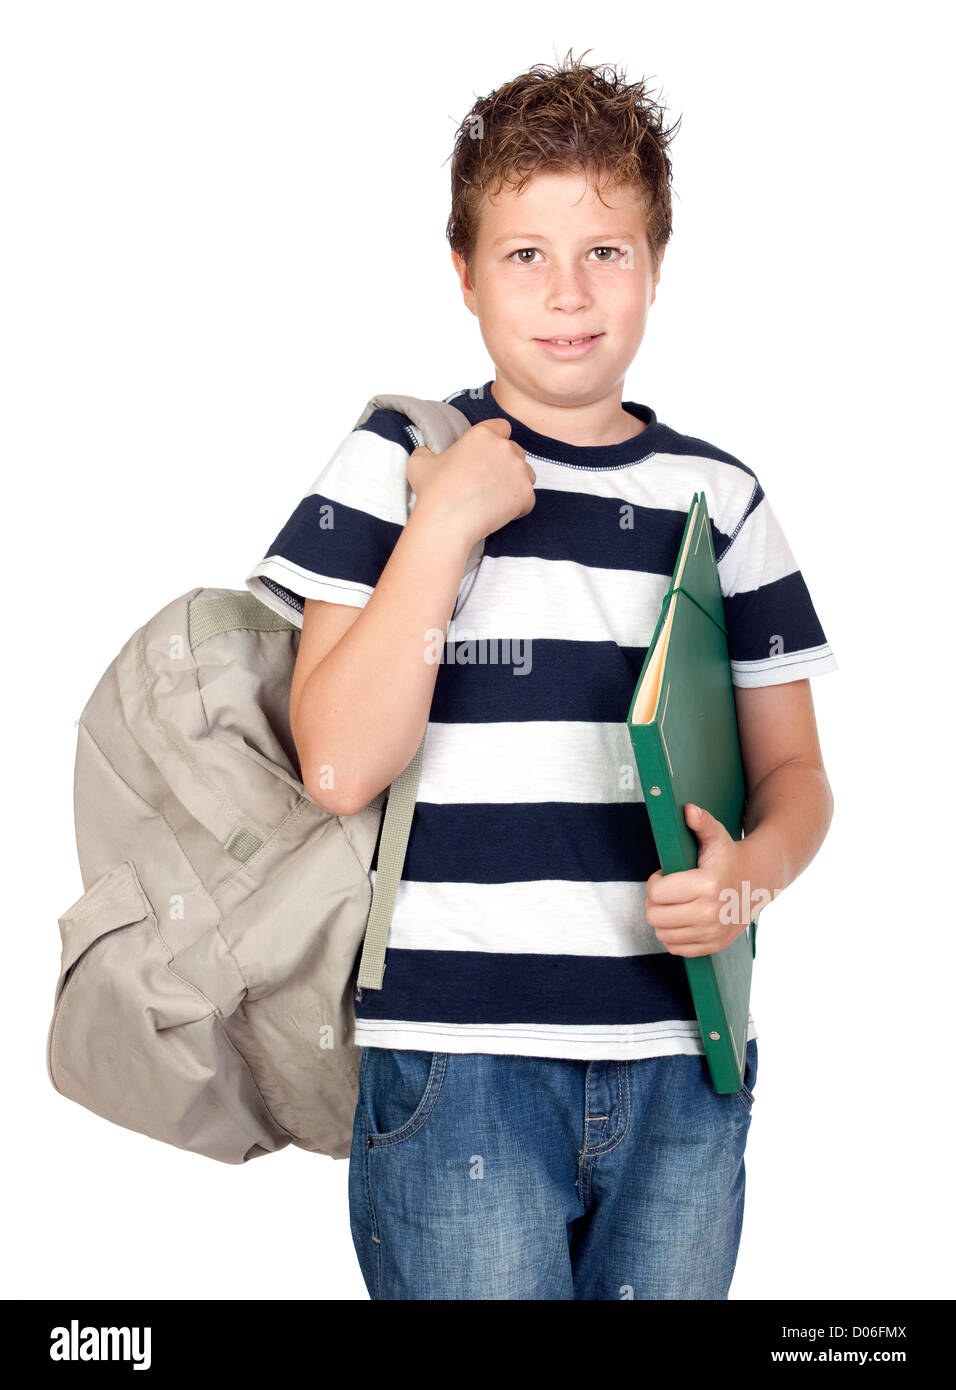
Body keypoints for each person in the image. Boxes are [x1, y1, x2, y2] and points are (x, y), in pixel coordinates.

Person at [245, 50, 837, 1300]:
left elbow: (796, 778)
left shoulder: (720, 501)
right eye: (524, 254)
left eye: (605, 252)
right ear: (462, 271)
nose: (567, 293)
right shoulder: (399, 458)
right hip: (459, 1066)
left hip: (683, 1061)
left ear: (656, 264)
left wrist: (742, 883)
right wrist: (446, 524)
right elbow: (339, 761)